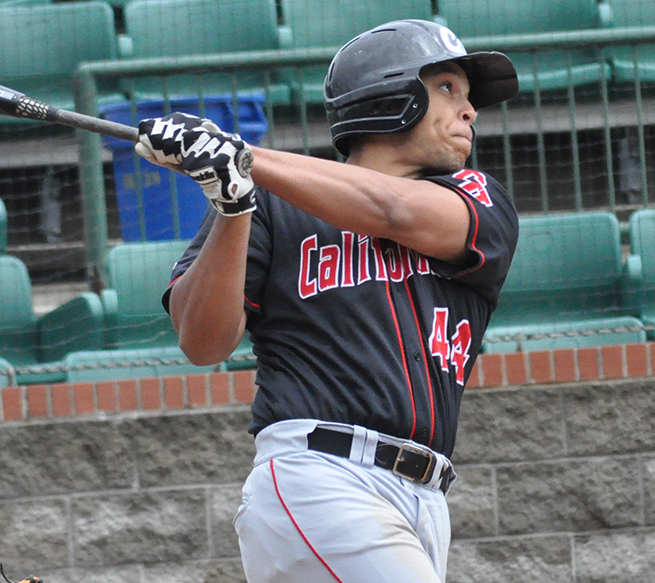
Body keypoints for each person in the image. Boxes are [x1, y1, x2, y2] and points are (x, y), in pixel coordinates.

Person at [135, 19, 519, 583]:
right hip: (319, 478)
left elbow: (393, 211)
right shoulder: (266, 203)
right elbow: (202, 341)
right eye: (447, 89)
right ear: (390, 95)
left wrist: (241, 158)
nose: (470, 111)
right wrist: (233, 205)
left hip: (426, 500)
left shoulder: (480, 201)